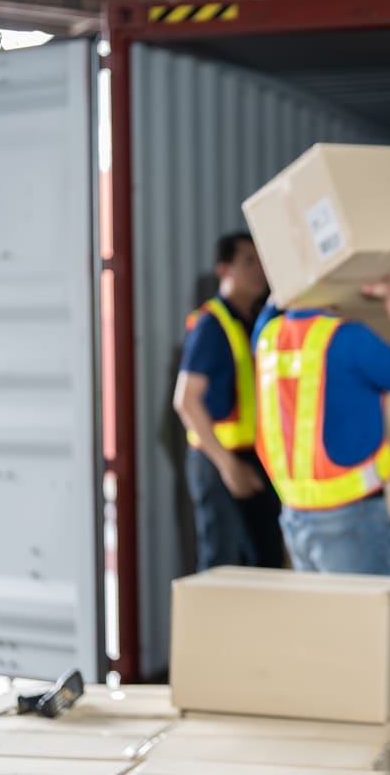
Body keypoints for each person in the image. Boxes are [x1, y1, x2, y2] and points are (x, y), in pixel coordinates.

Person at [252, 262, 390, 576]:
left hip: (294, 514)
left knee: (327, 624)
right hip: (351, 517)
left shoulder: (266, 336)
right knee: (372, 624)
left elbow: (276, 302)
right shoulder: (348, 338)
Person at [173, 231, 284, 571]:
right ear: (225, 271)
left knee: (264, 560)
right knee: (222, 563)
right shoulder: (211, 325)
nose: (258, 270)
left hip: (254, 458)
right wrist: (227, 465)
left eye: (261, 261)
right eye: (248, 261)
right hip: (218, 460)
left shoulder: (256, 321)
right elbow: (186, 401)